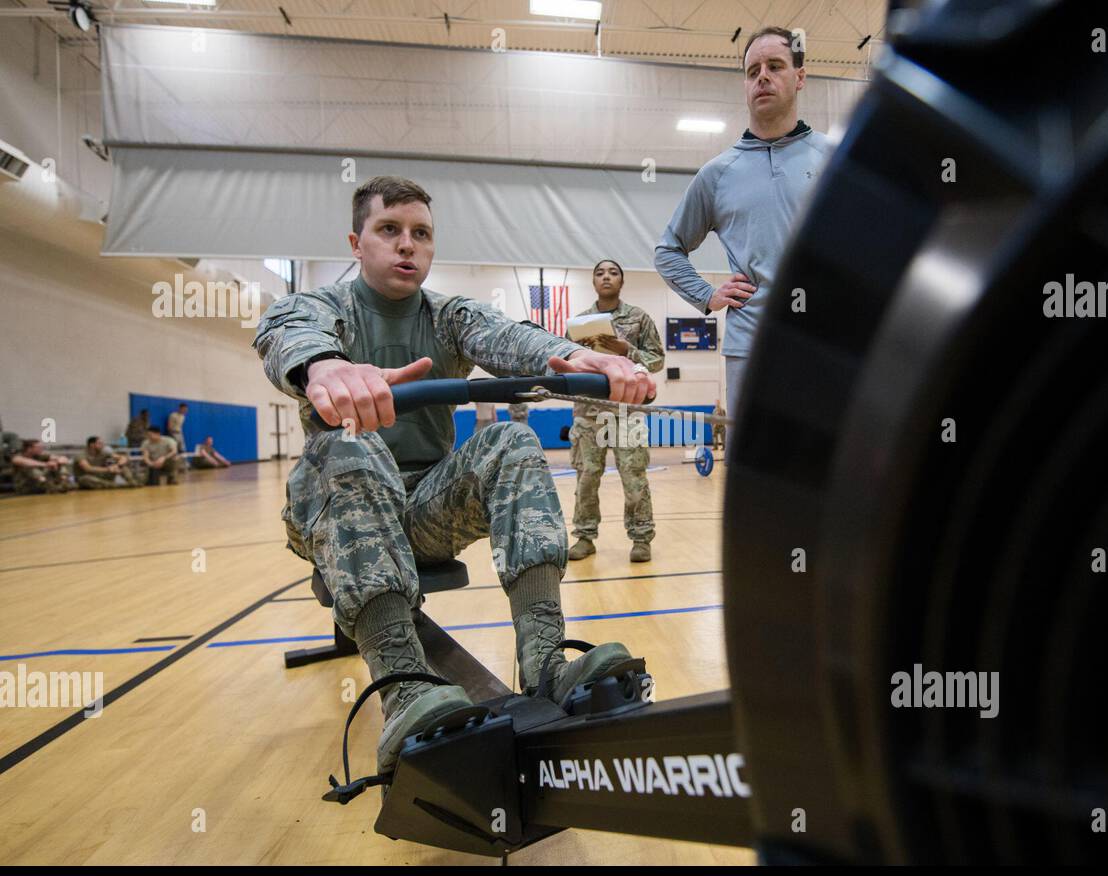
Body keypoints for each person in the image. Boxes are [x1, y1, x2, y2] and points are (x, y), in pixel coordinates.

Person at [252, 175, 654, 775]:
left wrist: (576, 356)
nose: (407, 244)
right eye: (389, 230)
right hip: (341, 517)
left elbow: (507, 336)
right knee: (349, 444)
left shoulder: (449, 316)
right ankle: (404, 688)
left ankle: (545, 661)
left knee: (512, 440)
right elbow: (285, 330)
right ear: (356, 244)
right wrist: (325, 366)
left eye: (421, 234)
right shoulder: (322, 308)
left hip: (424, 512)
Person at [654, 26, 833, 421]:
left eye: (775, 66)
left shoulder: (836, 158)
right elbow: (668, 251)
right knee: (752, 457)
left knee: (821, 457)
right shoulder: (717, 174)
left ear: (800, 77)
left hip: (825, 344)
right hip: (749, 348)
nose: (762, 77)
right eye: (753, 71)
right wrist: (707, 295)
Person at [566, 259, 665, 563]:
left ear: (622, 281)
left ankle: (641, 538)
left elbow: (657, 360)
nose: (606, 277)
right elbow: (566, 362)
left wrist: (627, 351)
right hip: (588, 411)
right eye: (600, 273)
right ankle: (584, 537)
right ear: (593, 282)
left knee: (633, 476)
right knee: (586, 477)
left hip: (627, 411)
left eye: (613, 272)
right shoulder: (578, 323)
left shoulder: (638, 318)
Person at [75, 436, 142, 489]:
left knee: (123, 468)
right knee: (85, 479)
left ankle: (133, 483)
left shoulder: (103, 452)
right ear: (92, 445)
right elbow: (88, 468)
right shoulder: (81, 455)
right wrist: (108, 469)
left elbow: (122, 457)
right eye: (99, 443)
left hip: (101, 476)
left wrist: (118, 465)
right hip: (88, 478)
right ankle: (115, 485)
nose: (102, 445)